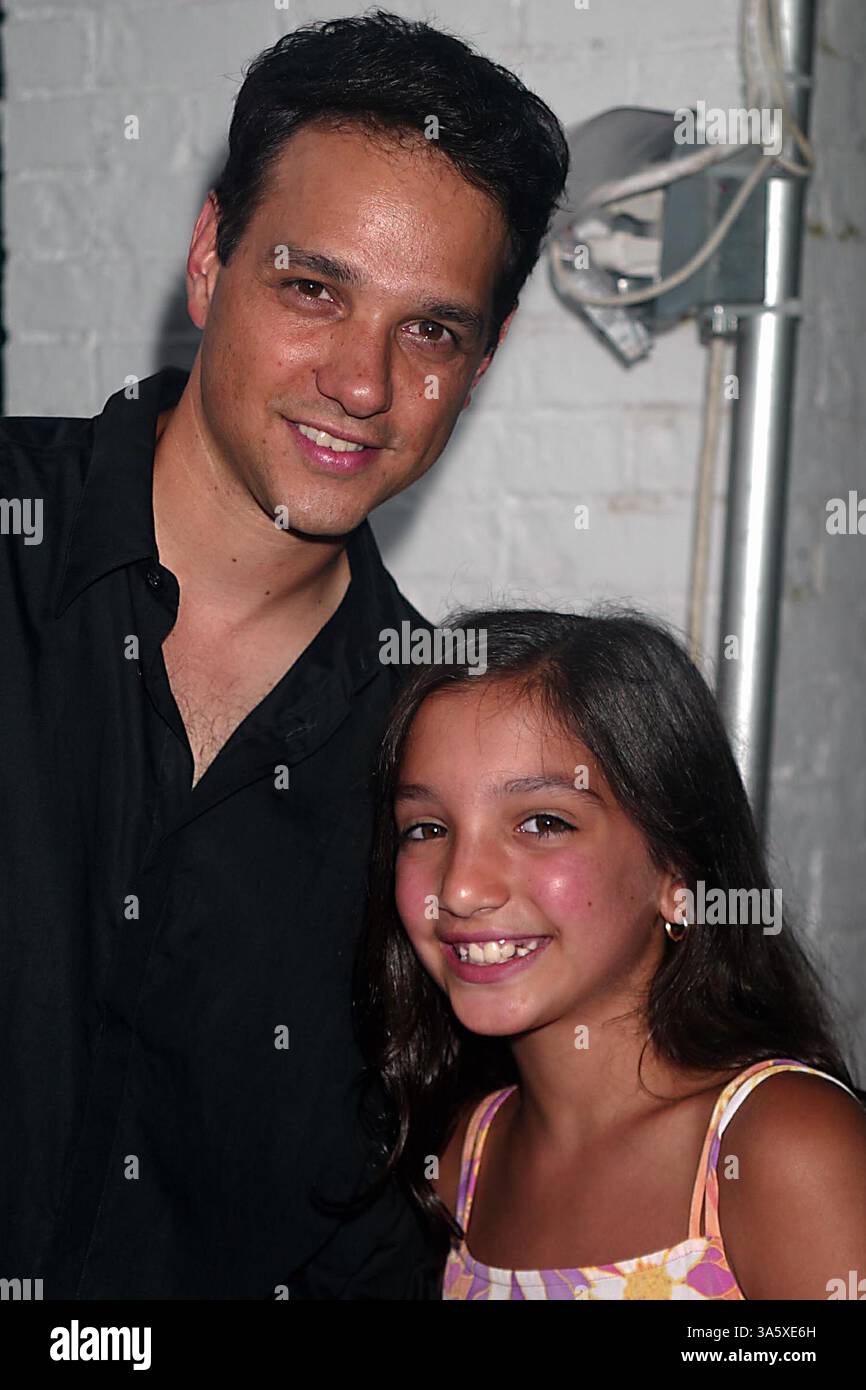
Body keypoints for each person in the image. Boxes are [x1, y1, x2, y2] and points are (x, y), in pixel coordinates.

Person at [0, 13, 569, 1297]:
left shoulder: (441, 774)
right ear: (209, 260)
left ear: (481, 360)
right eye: (313, 288)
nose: (360, 382)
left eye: (429, 330)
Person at [356, 606, 866, 1300]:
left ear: (676, 872)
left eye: (542, 822)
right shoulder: (464, 1162)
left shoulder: (779, 1149)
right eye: (427, 828)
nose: (463, 886)